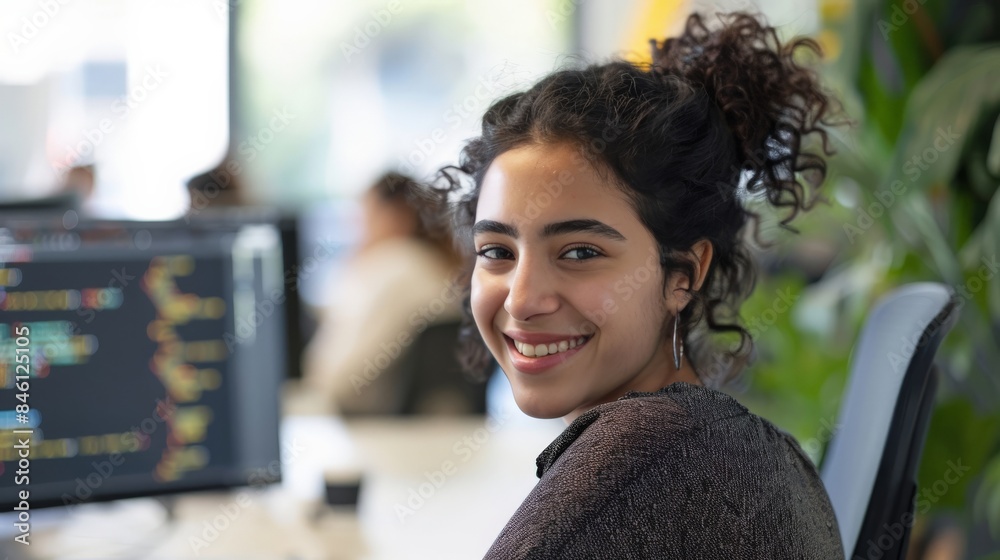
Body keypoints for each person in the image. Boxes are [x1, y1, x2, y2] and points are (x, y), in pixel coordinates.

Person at [427, 11, 845, 559]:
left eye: (580, 252)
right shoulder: (716, 445)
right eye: (497, 252)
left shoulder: (645, 458)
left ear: (684, 274)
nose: (523, 300)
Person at [302, 172, 464, 414]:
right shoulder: (430, 264)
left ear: (394, 216)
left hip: (372, 423)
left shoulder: (397, 267)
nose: (357, 231)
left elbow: (337, 381)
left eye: (365, 217)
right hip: (421, 428)